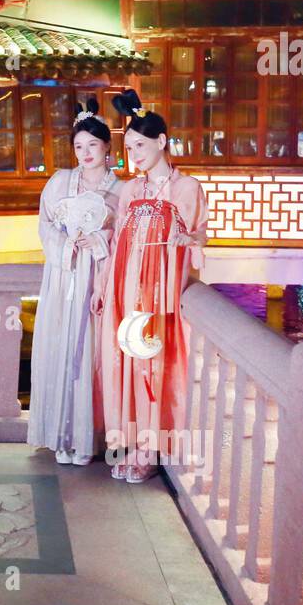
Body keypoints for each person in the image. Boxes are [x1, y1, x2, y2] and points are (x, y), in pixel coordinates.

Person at [96, 90, 208, 484]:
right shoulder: (131, 190)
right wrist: (102, 288)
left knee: (154, 364)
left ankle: (151, 446)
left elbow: (199, 236)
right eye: (128, 148)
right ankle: (132, 442)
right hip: (126, 288)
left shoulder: (187, 188)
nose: (134, 155)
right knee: (127, 362)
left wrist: (188, 241)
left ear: (161, 142)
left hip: (161, 293)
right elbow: (114, 245)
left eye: (140, 146)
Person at [27, 97, 119, 465]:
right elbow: (44, 223)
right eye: (79, 146)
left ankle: (86, 439)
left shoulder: (120, 189)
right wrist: (66, 244)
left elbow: (123, 235)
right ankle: (58, 436)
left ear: (107, 147)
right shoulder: (60, 181)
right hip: (63, 273)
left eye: (92, 145)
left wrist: (97, 240)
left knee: (89, 350)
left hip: (96, 274)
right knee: (58, 346)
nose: (85, 153)